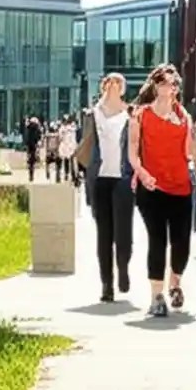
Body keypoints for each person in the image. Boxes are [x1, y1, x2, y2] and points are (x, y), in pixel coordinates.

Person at [128, 64, 196, 318]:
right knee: (157, 240)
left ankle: (175, 283)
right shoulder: (141, 115)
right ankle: (156, 296)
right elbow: (133, 152)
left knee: (182, 242)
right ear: (154, 85)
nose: (166, 87)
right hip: (152, 188)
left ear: (176, 89)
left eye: (171, 83)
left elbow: (189, 153)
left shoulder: (184, 117)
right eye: (161, 81)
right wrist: (142, 173)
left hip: (181, 186)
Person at [76, 74, 135, 302]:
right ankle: (106, 285)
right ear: (104, 86)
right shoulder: (92, 114)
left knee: (124, 234)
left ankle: (123, 268)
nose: (114, 86)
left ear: (123, 89)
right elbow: (85, 144)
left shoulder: (131, 114)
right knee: (104, 234)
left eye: (118, 83)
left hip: (123, 178)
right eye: (110, 83)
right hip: (99, 179)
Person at [25, 117, 43, 182]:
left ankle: (29, 158)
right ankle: (36, 158)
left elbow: (26, 137)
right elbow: (39, 137)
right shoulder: (37, 129)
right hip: (34, 146)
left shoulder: (28, 128)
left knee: (30, 160)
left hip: (29, 145)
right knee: (32, 160)